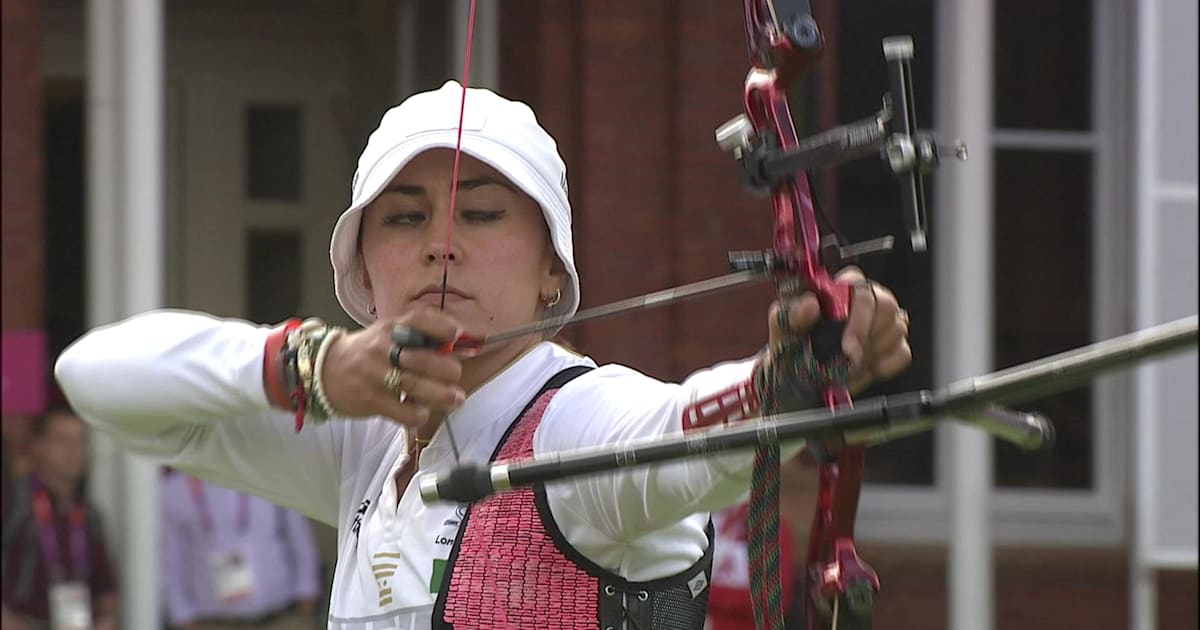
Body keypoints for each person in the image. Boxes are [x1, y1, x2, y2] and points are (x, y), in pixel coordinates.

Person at [53, 80, 911, 629]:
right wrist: (310, 369)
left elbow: (684, 433)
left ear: (552, 272)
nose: (440, 246)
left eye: (483, 213)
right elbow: (93, 378)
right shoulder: (362, 441)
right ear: (363, 268)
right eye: (405, 217)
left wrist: (786, 381)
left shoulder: (575, 422)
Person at [1, 408, 118, 630]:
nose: (73, 451)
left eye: (80, 442)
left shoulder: (89, 515)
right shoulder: (13, 503)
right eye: (62, 441)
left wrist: (105, 620)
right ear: (37, 446)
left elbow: (106, 589)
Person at [160, 472, 321, 629]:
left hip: (280, 617)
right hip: (212, 622)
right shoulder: (174, 491)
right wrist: (184, 619)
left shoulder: (271, 477)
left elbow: (300, 541)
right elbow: (169, 564)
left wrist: (306, 604)